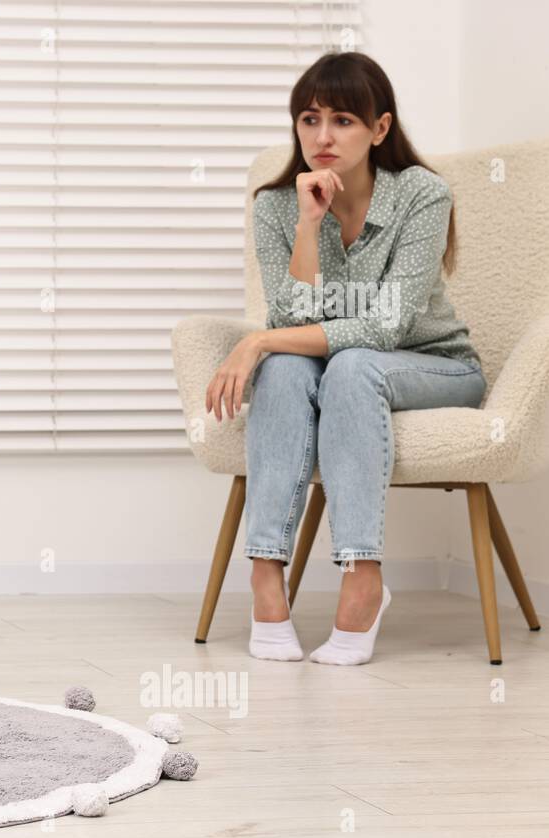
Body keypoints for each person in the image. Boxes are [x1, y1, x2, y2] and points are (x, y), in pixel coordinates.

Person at [203, 53, 486, 666]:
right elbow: (290, 325)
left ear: (379, 129)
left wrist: (254, 342)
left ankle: (363, 576)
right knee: (283, 366)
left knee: (344, 361)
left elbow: (387, 326)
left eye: (342, 121)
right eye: (309, 119)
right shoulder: (276, 204)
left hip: (435, 366)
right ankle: (264, 575)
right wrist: (308, 224)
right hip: (342, 366)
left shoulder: (421, 194)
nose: (322, 137)